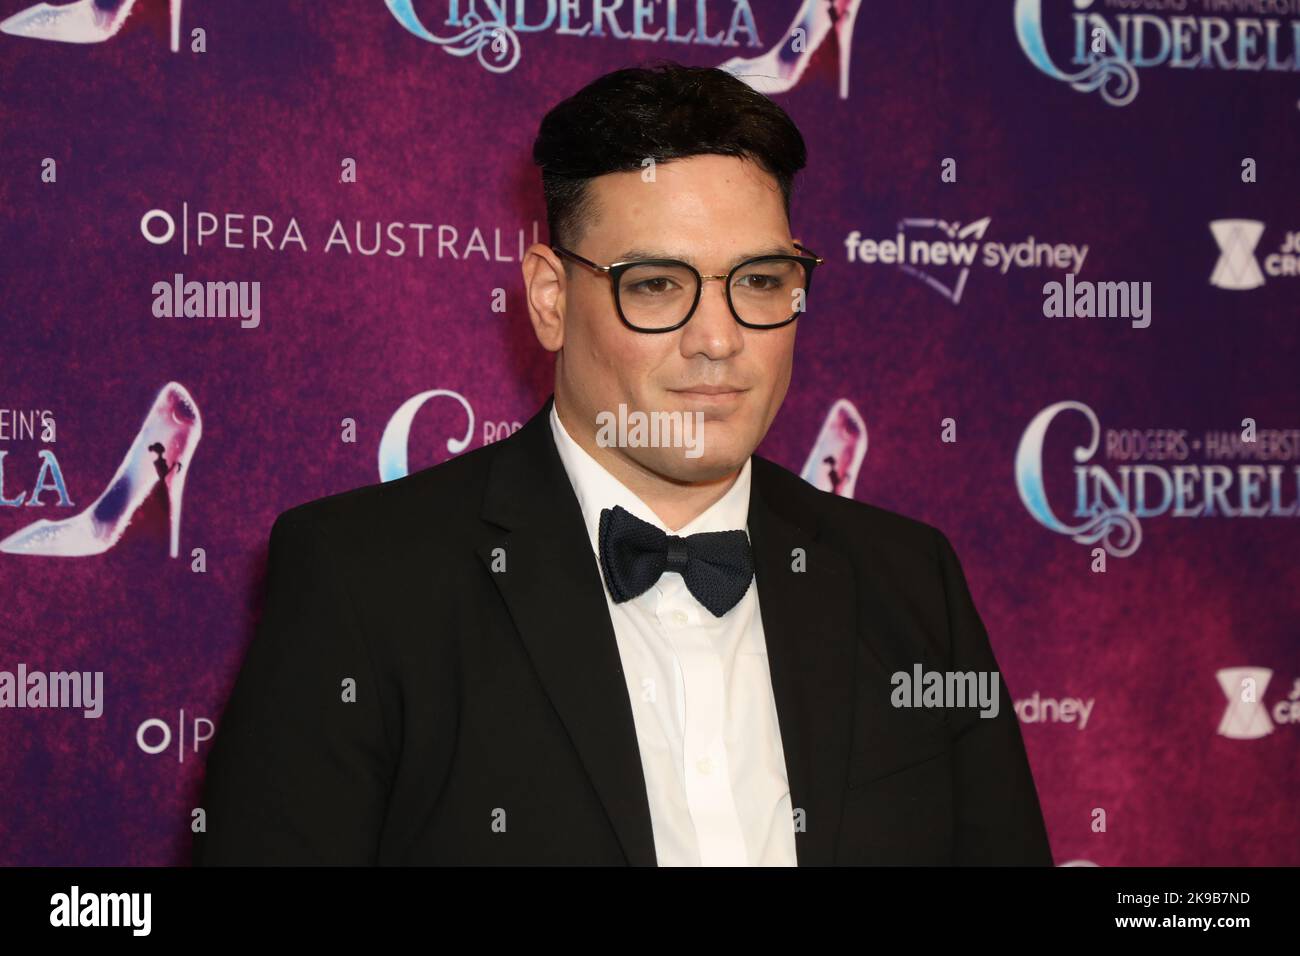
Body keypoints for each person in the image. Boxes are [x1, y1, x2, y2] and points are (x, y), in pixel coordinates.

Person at [193, 60, 1052, 866]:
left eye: (757, 281)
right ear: (550, 299)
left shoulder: (910, 581)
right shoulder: (364, 581)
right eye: (654, 285)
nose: (718, 340)